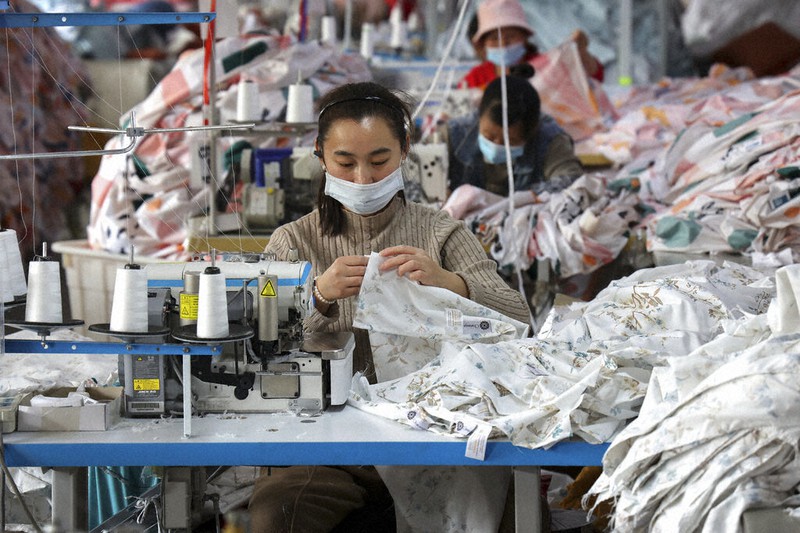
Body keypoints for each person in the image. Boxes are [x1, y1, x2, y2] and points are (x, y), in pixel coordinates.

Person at [247, 81, 530, 532]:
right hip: (331, 447)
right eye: (345, 162)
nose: (363, 178)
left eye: (379, 161)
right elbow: (257, 349)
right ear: (320, 156)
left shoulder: (440, 233)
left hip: (434, 435)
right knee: (277, 513)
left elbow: (518, 317)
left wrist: (451, 283)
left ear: (404, 152)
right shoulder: (293, 243)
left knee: (518, 512)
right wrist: (317, 296)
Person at [446, 74, 584, 198]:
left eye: (510, 141)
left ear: (532, 132)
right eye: (489, 137)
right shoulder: (455, 135)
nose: (496, 145)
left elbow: (572, 182)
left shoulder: (550, 140)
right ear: (479, 116)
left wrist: (523, 199)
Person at [460, 0, 603, 90]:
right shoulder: (476, 78)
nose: (503, 44)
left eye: (511, 36)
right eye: (494, 38)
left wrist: (581, 51)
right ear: (482, 44)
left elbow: (594, 78)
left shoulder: (547, 67)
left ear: (525, 37)